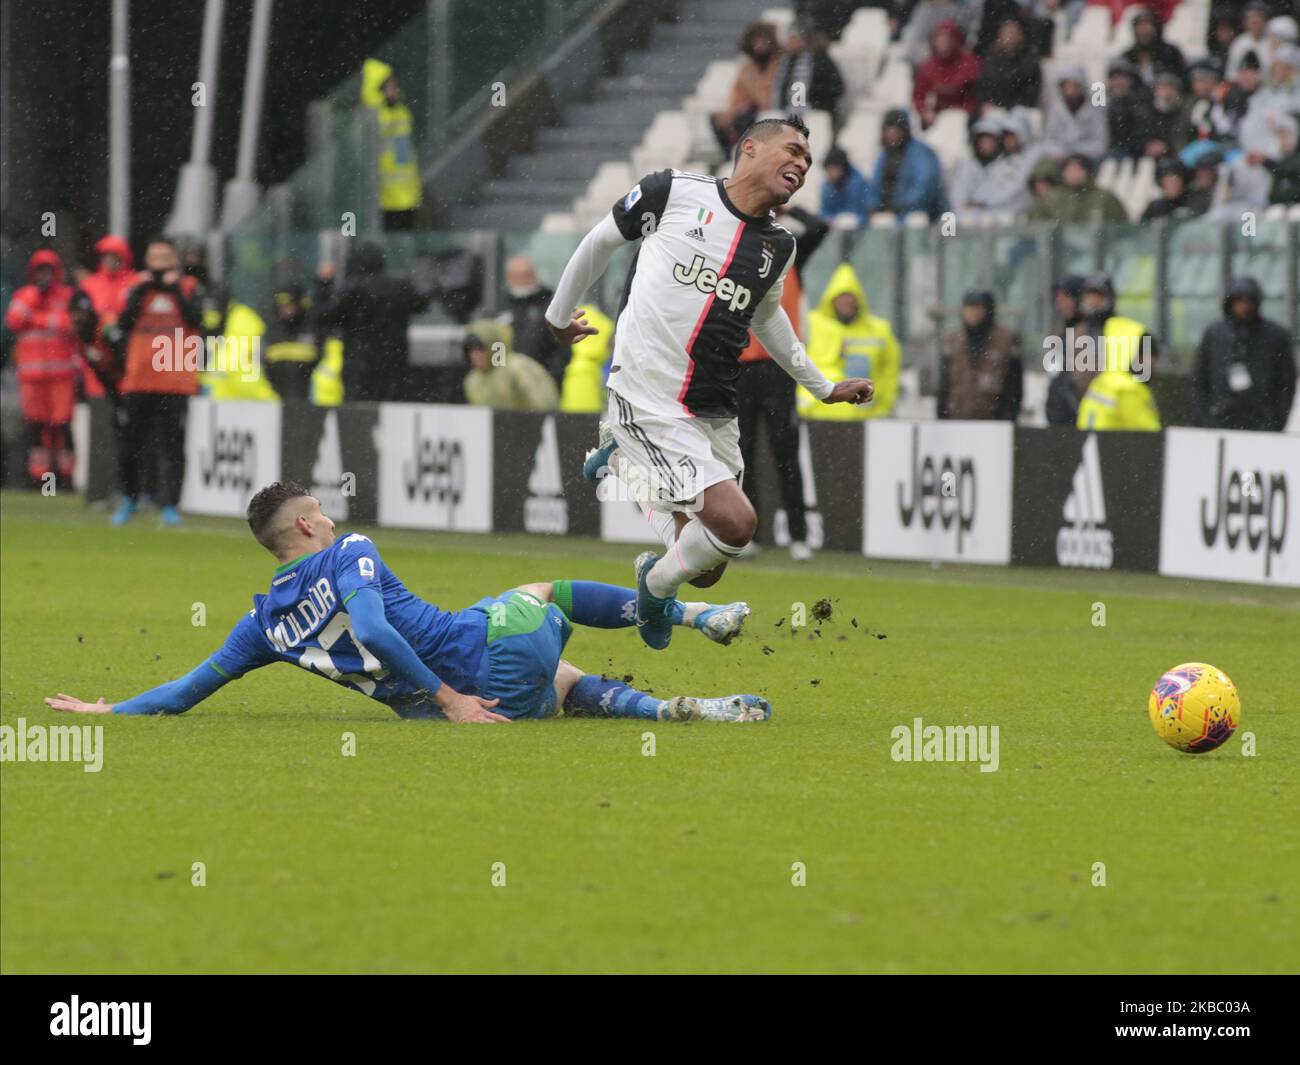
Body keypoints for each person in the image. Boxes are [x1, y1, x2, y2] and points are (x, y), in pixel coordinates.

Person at [543, 115, 873, 650]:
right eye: (792, 150)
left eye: (809, 161)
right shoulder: (671, 191)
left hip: (715, 407)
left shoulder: (778, 247)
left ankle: (626, 464)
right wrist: (558, 318)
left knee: (706, 567)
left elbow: (769, 321)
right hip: (647, 394)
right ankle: (652, 592)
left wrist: (823, 387)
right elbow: (600, 241)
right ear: (749, 148)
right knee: (738, 524)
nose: (802, 165)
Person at [44, 482, 768, 724]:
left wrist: (110, 710)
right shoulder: (348, 549)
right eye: (319, 511)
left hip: (487, 703)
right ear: (304, 526)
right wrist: (449, 694)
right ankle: (684, 612)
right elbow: (374, 627)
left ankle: (684, 709)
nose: (328, 516)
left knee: (567, 684)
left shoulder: (262, 622)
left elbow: (185, 691)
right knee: (535, 594)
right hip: (478, 671)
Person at [736, 203, 830, 563]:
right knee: (742, 455)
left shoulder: (791, 256)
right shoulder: (736, 258)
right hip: (741, 368)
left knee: (785, 452)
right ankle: (748, 535)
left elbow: (820, 227)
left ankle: (799, 535)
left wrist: (790, 207)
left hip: (780, 368)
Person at [110, 237, 205, 526]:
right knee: (130, 444)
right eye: (155, 257)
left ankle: (170, 506)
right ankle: (130, 499)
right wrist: (142, 290)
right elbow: (123, 324)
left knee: (173, 445)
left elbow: (198, 320)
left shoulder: (189, 288)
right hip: (139, 378)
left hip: (177, 379)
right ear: (147, 261)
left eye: (165, 257)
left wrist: (174, 289)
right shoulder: (136, 288)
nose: (160, 264)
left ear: (174, 261)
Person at [315, 242, 433, 402]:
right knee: (392, 413)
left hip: (359, 367)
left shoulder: (352, 290)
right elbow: (422, 304)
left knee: (360, 417)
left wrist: (323, 285)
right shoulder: (399, 287)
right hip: (393, 365)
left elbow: (323, 315)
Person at [4, 249, 80, 488]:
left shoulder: (68, 295)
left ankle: (65, 476)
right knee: (36, 426)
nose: (44, 276)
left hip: (62, 374)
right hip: (31, 374)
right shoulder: (25, 295)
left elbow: (72, 325)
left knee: (62, 425)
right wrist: (36, 299)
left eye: (48, 271)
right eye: (40, 271)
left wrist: (36, 319)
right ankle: (39, 476)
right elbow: (13, 321)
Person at [800, 262, 900, 421]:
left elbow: (890, 373)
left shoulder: (879, 330)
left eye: (850, 297)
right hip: (818, 414)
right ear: (831, 299)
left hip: (867, 417)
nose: (846, 302)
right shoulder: (811, 324)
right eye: (841, 297)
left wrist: (883, 408)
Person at [1193, 276, 1296, 432]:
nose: (1244, 306)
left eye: (1249, 301)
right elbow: (1200, 379)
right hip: (1221, 419)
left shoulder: (1275, 335)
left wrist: (1276, 422)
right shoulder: (1215, 334)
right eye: (1239, 300)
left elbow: (1286, 384)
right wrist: (1206, 419)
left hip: (1261, 421)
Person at [1074, 273, 1161, 431]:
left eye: (1098, 296)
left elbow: (1144, 375)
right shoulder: (1077, 332)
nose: (1093, 302)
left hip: (1122, 418)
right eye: (1089, 296)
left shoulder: (1129, 330)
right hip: (1091, 416)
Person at [937, 290, 1023, 421]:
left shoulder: (1006, 341)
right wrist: (942, 416)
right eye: (968, 308)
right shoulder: (952, 341)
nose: (972, 313)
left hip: (993, 422)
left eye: (977, 308)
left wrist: (1008, 418)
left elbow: (1014, 386)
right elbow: (944, 385)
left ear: (987, 310)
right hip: (956, 421)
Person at [360, 59, 422, 231]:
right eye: (389, 85)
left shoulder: (402, 111)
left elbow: (406, 154)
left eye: (394, 84)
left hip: (406, 197)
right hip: (382, 199)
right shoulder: (370, 118)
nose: (394, 88)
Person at [76, 234, 139, 401]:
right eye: (106, 256)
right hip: (98, 356)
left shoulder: (135, 283)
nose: (110, 261)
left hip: (127, 353)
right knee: (100, 405)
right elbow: (80, 320)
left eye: (115, 256)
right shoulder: (89, 285)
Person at [864, 108, 950, 220]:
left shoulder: (921, 153)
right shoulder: (883, 155)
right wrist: (874, 206)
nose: (891, 136)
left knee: (916, 220)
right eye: (888, 131)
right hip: (892, 213)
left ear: (905, 131)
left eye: (895, 131)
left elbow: (925, 188)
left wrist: (900, 205)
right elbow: (874, 186)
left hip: (923, 214)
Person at [711, 21, 782, 154]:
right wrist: (734, 110)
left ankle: (745, 153)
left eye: (762, 40)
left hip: (771, 110)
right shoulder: (748, 68)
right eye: (755, 41)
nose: (758, 45)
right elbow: (738, 94)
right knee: (718, 119)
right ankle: (730, 156)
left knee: (744, 121)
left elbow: (769, 96)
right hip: (750, 110)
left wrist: (750, 105)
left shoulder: (780, 65)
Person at [462, 318, 559, 411]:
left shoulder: (517, 368)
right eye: (470, 350)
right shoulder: (473, 381)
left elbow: (545, 407)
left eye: (480, 349)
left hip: (527, 427)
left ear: (493, 346)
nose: (475, 356)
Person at [502, 255, 566, 388]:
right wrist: (499, 370)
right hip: (507, 382)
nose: (522, 280)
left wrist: (552, 377)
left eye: (526, 275)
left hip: (541, 381)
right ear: (509, 277)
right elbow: (495, 341)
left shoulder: (549, 304)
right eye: (517, 275)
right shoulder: (501, 305)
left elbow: (561, 346)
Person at [912, 20, 982, 129]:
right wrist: (924, 111)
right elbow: (919, 95)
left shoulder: (970, 63)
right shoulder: (928, 65)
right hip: (937, 116)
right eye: (939, 38)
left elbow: (977, 92)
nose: (942, 42)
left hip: (964, 115)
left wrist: (969, 111)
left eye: (947, 38)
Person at [769, 19, 843, 114]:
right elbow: (780, 87)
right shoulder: (786, 61)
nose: (792, 42)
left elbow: (836, 87)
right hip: (787, 113)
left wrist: (813, 98)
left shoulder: (819, 59)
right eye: (790, 38)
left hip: (815, 112)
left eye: (796, 38)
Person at [1044, 274, 1090, 426]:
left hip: (1082, 415)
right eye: (1057, 299)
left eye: (1066, 298)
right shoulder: (1060, 330)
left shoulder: (1094, 332)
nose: (1060, 304)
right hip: (1060, 416)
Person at [1028, 153, 1130, 221]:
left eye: (1078, 169)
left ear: (1088, 172)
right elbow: (1038, 225)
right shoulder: (1051, 198)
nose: (1073, 173)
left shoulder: (1105, 198)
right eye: (1069, 169)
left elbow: (1121, 226)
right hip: (1060, 250)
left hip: (1100, 249)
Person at [263, 284, 321, 402]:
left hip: (306, 401)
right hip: (277, 400)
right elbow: (266, 366)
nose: (286, 309)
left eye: (290, 304)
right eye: (282, 305)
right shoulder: (272, 331)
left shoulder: (313, 329)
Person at [1042, 65, 1109, 161]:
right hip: (1060, 158)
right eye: (1066, 86)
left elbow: (1100, 144)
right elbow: (1049, 140)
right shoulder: (1056, 110)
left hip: (1088, 159)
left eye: (1074, 85)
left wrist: (1075, 153)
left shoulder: (1095, 109)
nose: (1070, 90)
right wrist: (1058, 152)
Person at [976, 16, 1042, 112]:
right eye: (1007, 33)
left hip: (1020, 109)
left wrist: (1010, 105)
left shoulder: (1029, 58)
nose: (1010, 37)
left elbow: (1031, 90)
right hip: (994, 107)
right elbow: (986, 85)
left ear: (1020, 35)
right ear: (1000, 36)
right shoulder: (991, 58)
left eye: (1013, 33)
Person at [559, 303, 615, 413]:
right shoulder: (583, 372)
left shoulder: (586, 368)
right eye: (607, 338)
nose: (611, 344)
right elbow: (585, 421)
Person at [1106, 59, 1158, 159]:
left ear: (1130, 79)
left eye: (1121, 77)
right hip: (1113, 150)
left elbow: (1143, 130)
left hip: (1139, 151)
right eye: (1113, 78)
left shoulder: (1142, 99)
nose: (1117, 82)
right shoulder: (1103, 98)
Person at [1123, 8, 1188, 86]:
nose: (1144, 30)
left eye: (1147, 24)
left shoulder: (1171, 53)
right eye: (1140, 25)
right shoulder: (1128, 56)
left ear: (1156, 28)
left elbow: (1182, 79)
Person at [1142, 157, 1207, 219]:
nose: (1171, 184)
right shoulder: (1156, 206)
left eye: (1175, 181)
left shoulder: (1196, 201)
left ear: (1183, 182)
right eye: (1167, 181)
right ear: (1161, 184)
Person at [819, 146, 871, 223]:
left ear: (842, 168)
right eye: (828, 170)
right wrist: (833, 220)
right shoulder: (827, 187)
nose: (830, 173)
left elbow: (866, 213)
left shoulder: (859, 184)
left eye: (833, 169)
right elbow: (824, 212)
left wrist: (854, 220)